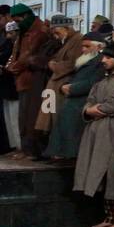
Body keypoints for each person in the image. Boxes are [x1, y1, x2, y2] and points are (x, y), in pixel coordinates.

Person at [72, 41, 114, 227]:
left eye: (108, 57)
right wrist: (90, 110)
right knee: (102, 177)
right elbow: (89, 101)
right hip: (97, 131)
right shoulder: (102, 80)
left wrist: (93, 109)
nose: (104, 60)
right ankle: (110, 216)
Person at [4, 3, 53, 157]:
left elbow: (28, 55)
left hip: (33, 81)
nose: (17, 23)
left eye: (18, 20)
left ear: (25, 16)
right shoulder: (25, 31)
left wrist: (14, 67)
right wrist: (11, 65)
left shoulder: (39, 32)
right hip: (23, 80)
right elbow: (17, 52)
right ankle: (26, 149)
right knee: (23, 117)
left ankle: (32, 151)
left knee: (31, 117)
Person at [48, 33, 105, 160]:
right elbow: (75, 78)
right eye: (82, 46)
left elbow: (93, 82)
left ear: (99, 46)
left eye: (87, 46)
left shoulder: (100, 63)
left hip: (83, 100)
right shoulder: (85, 61)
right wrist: (64, 86)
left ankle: (69, 156)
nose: (83, 49)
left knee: (73, 132)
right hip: (73, 98)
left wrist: (72, 88)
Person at [36, 14, 84, 156]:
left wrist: (54, 66)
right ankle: (54, 152)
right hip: (54, 87)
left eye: (57, 32)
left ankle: (62, 153)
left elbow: (73, 63)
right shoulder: (68, 41)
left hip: (62, 86)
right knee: (50, 121)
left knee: (59, 120)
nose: (56, 36)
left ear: (66, 28)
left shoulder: (78, 40)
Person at [0, 20, 18, 155]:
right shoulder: (9, 45)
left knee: (16, 119)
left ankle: (19, 147)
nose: (9, 36)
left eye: (11, 33)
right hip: (7, 88)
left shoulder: (18, 46)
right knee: (9, 120)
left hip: (15, 88)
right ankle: (14, 146)